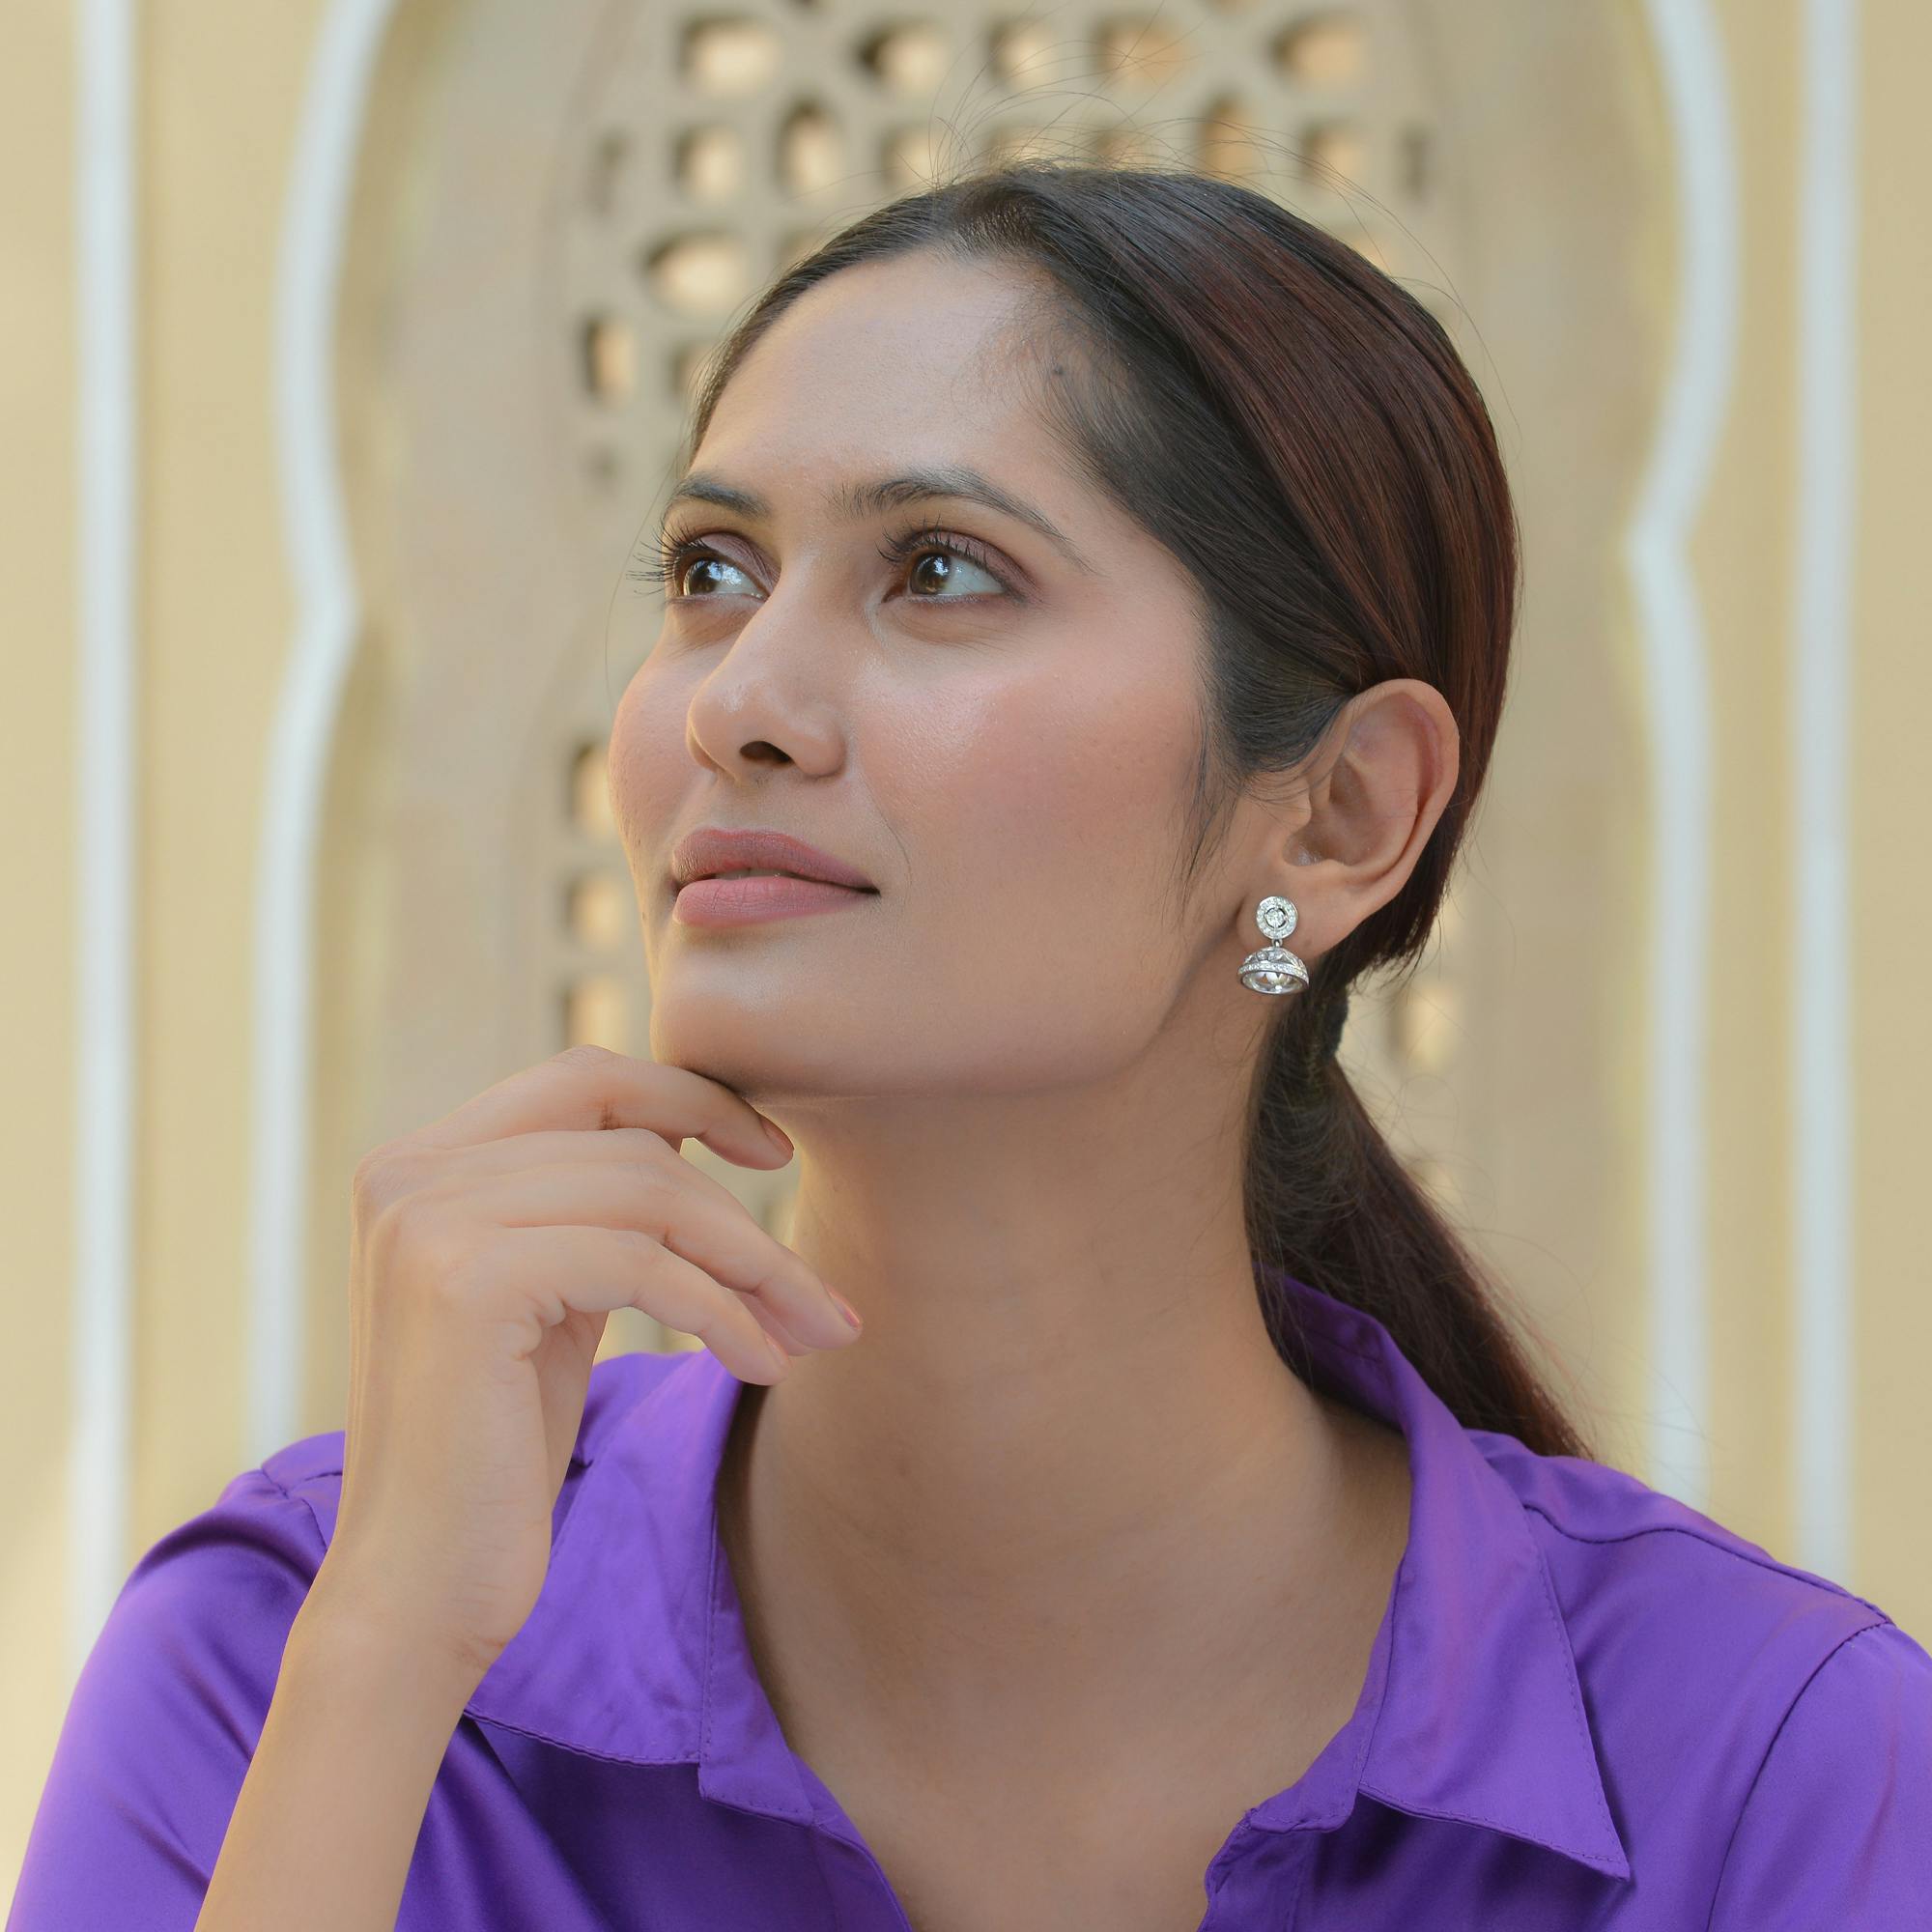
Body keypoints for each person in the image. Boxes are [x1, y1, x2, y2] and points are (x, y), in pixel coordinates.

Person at [13, 157, 1929, 1931]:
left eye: (938, 569)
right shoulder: (285, 1652)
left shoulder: (1765, 1775)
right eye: (709, 571)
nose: (739, 702)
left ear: (1339, 810)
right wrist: (383, 1675)